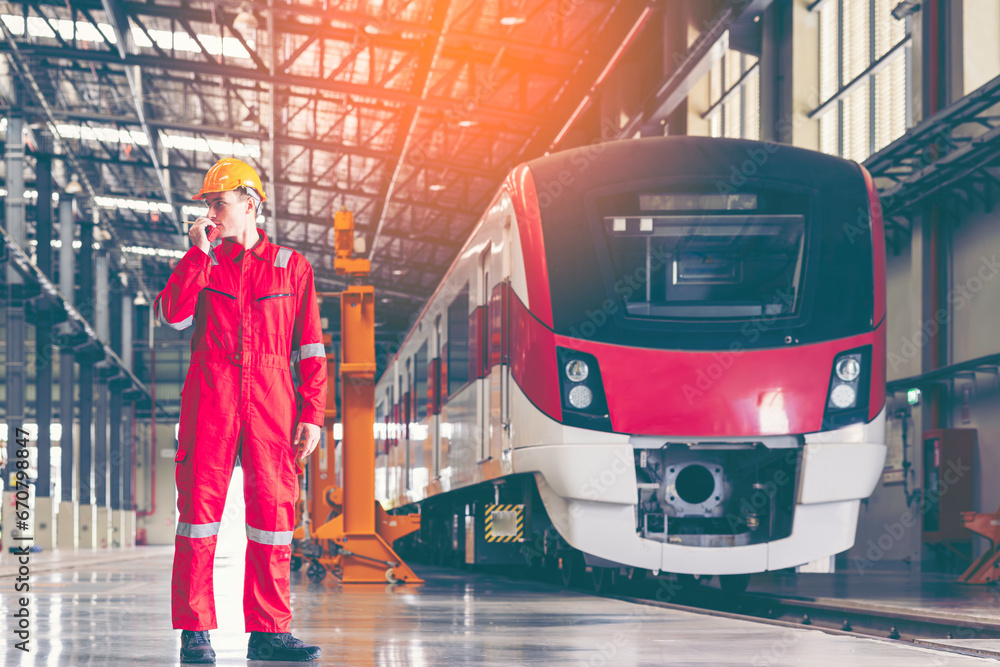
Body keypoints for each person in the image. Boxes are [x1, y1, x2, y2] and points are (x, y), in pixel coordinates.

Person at [154, 158, 327, 663]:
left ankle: (269, 632)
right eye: (208, 204)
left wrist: (312, 413)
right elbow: (172, 316)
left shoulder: (292, 267)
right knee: (198, 518)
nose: (210, 213)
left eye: (218, 203)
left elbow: (310, 348)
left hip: (272, 400)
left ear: (250, 204)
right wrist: (196, 253)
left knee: (273, 517)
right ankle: (194, 632)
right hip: (211, 397)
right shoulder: (203, 262)